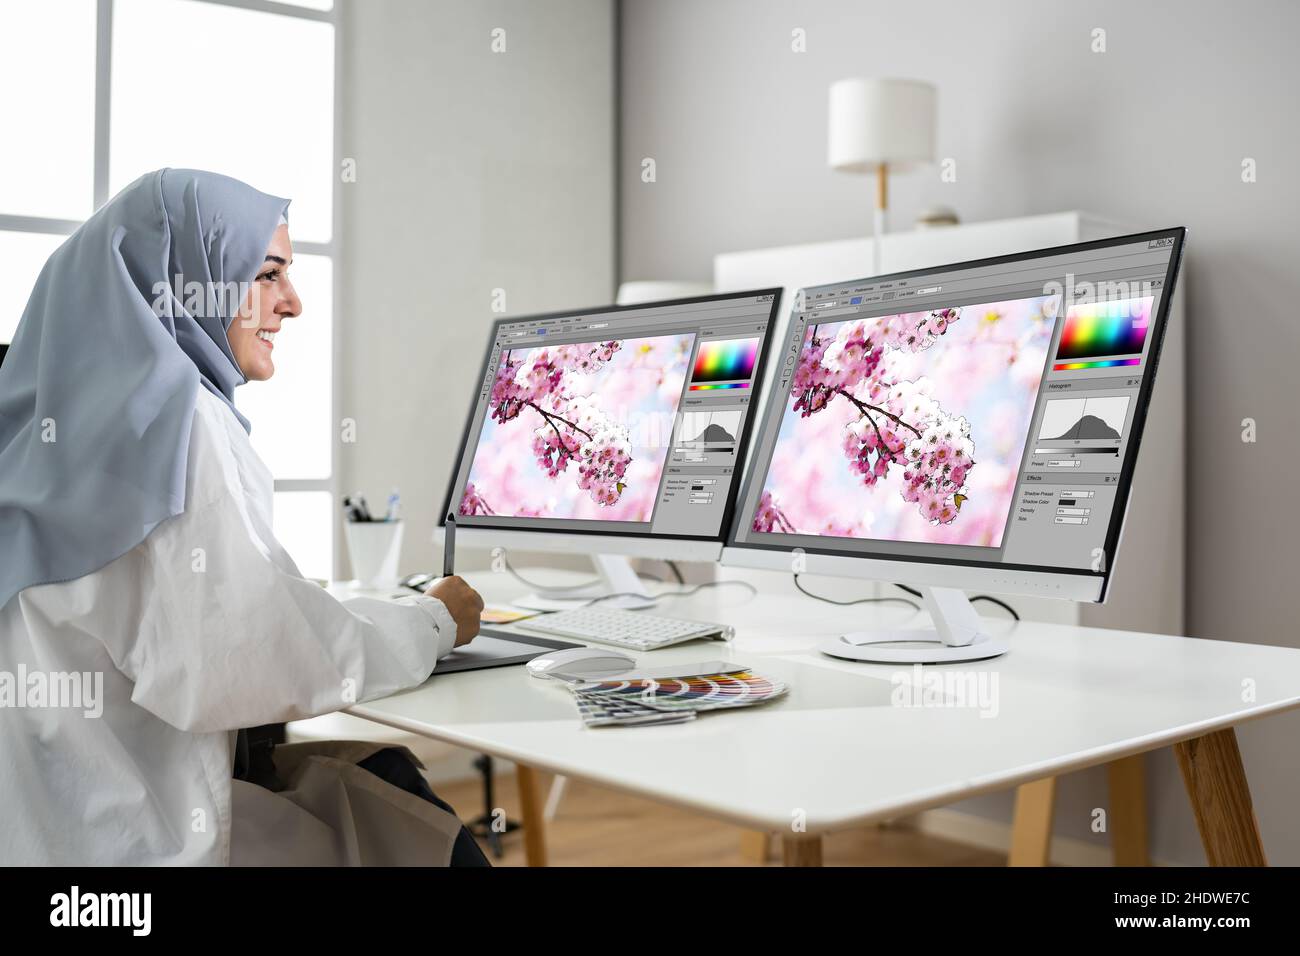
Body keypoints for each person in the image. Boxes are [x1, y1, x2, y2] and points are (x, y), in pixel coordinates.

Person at [0, 169, 489, 866]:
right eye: (266, 274)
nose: (293, 303)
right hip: (141, 851)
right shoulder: (175, 422)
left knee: (374, 777)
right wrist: (433, 621)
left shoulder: (35, 427)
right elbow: (243, 658)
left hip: (48, 838)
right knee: (407, 811)